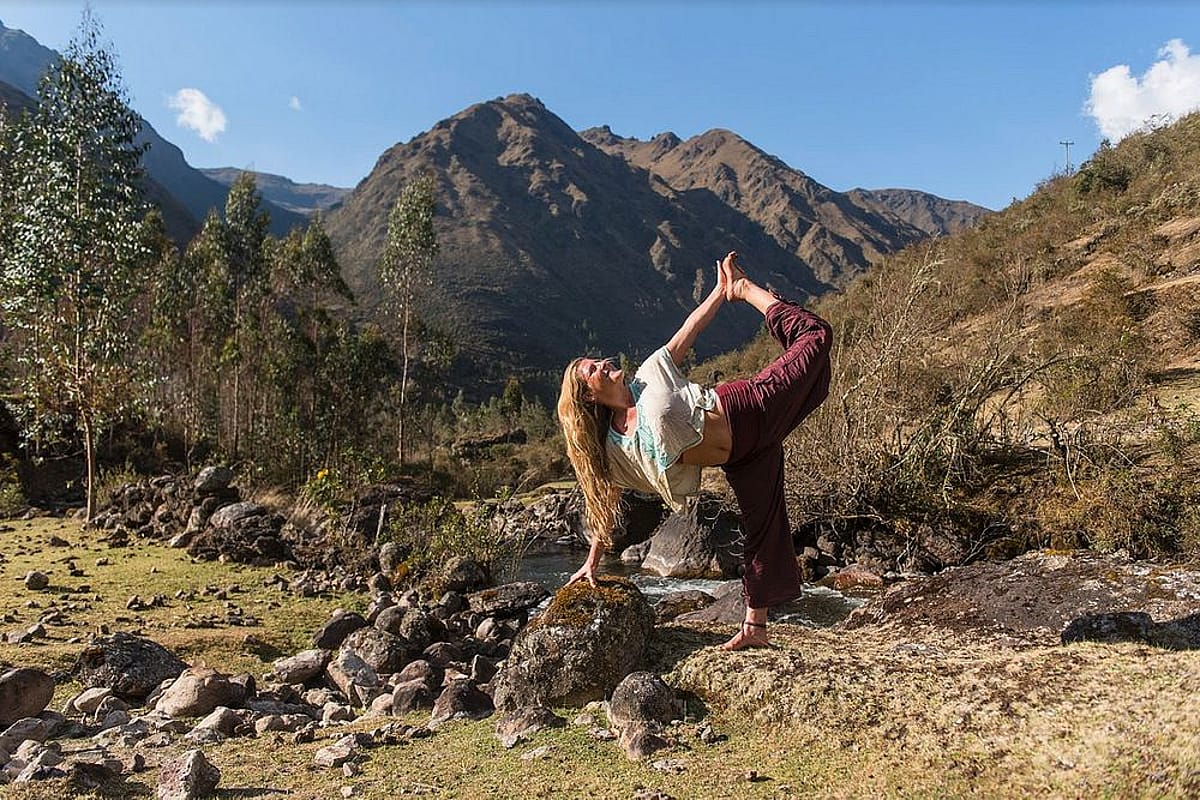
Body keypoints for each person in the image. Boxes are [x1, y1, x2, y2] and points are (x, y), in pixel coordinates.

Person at [557, 251, 832, 651]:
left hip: (748, 407)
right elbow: (604, 495)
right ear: (588, 396)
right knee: (763, 526)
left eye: (596, 361)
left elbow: (690, 329)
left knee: (817, 336)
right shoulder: (613, 447)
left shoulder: (650, 373)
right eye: (591, 370)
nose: (601, 364)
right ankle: (755, 627)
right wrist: (592, 561)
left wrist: (724, 292)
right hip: (742, 456)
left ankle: (749, 291)